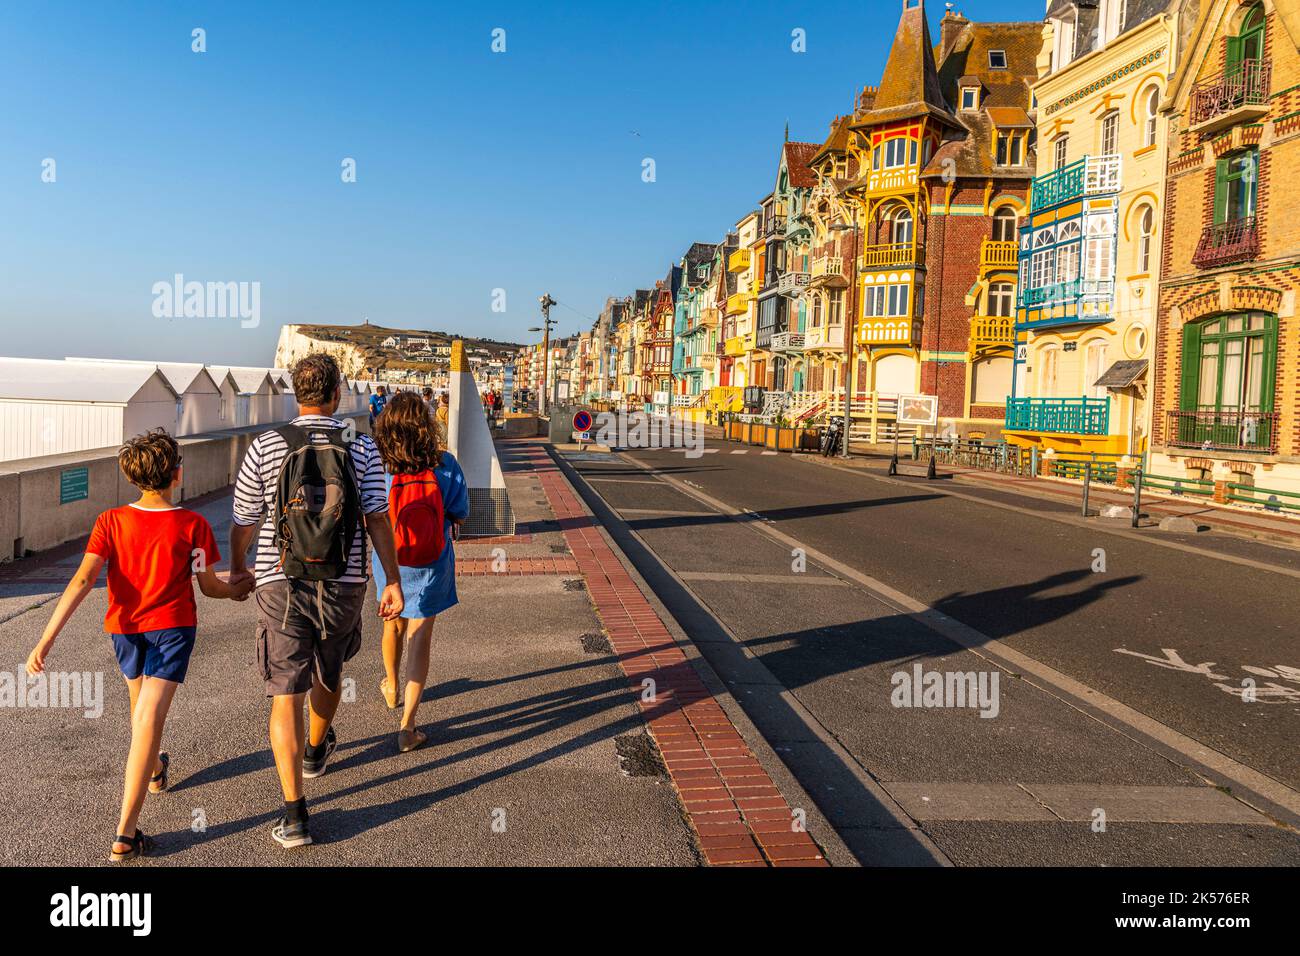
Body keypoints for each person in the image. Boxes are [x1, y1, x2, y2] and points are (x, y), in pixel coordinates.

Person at [26, 429, 253, 862]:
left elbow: (82, 580)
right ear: (176, 474)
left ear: (133, 478)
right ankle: (125, 835)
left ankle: (154, 769)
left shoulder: (109, 522)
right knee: (146, 717)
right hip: (172, 630)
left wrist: (46, 639)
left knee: (142, 715)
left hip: (125, 630)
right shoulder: (194, 526)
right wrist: (239, 588)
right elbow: (208, 588)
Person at [228, 353, 404, 849]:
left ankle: (295, 815)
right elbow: (376, 518)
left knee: (286, 692)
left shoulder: (265, 444)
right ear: (336, 394)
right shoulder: (362, 447)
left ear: (295, 394)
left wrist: (241, 568)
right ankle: (314, 749)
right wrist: (392, 580)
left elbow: (244, 519)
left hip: (280, 583)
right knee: (330, 670)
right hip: (345, 582)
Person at [371, 392, 469, 752]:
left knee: (391, 624)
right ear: (426, 426)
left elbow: (371, 514)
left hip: (390, 562)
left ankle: (392, 685)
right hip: (431, 562)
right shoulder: (446, 464)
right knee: (420, 639)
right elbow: (461, 512)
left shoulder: (380, 467)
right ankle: (408, 726)